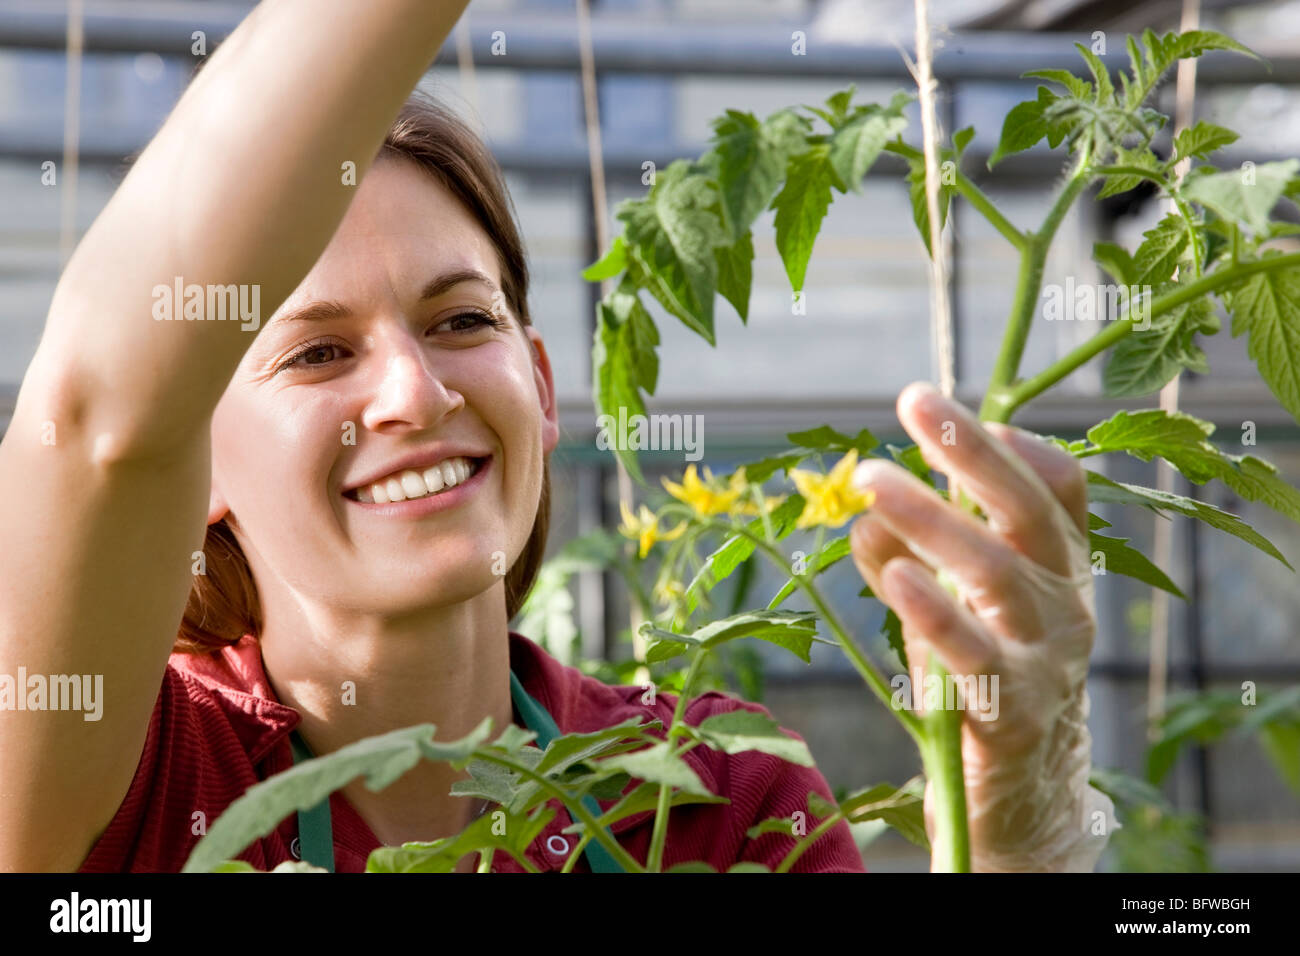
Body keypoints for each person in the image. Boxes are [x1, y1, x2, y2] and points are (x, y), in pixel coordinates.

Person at [0, 0, 1113, 873]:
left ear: (538, 380)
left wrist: (1019, 826)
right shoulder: (137, 775)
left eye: (459, 321)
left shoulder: (709, 792)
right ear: (192, 455)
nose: (414, 392)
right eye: (317, 352)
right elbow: (96, 417)